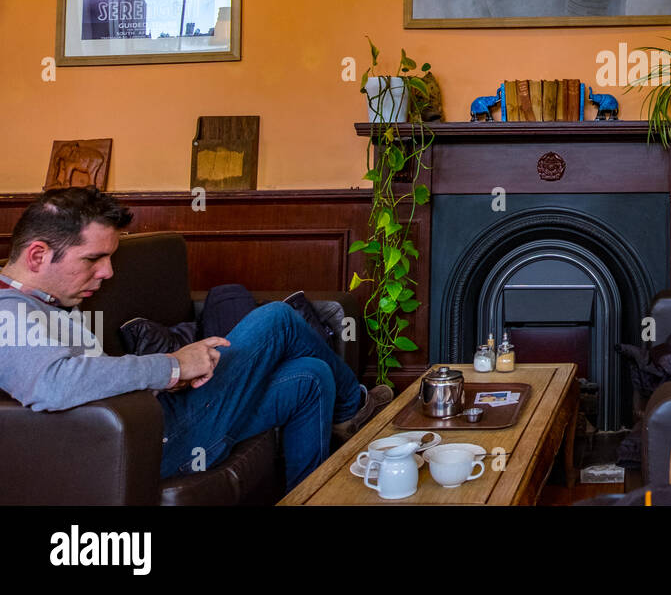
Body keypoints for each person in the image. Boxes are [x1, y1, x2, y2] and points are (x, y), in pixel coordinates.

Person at [0, 187, 391, 491]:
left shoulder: (45, 302)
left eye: (109, 259)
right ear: (37, 256)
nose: (107, 273)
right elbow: (52, 384)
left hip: (150, 417)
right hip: (147, 442)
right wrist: (171, 367)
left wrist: (165, 381)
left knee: (309, 376)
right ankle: (357, 410)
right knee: (276, 318)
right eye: (92, 259)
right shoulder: (8, 312)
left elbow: (83, 376)